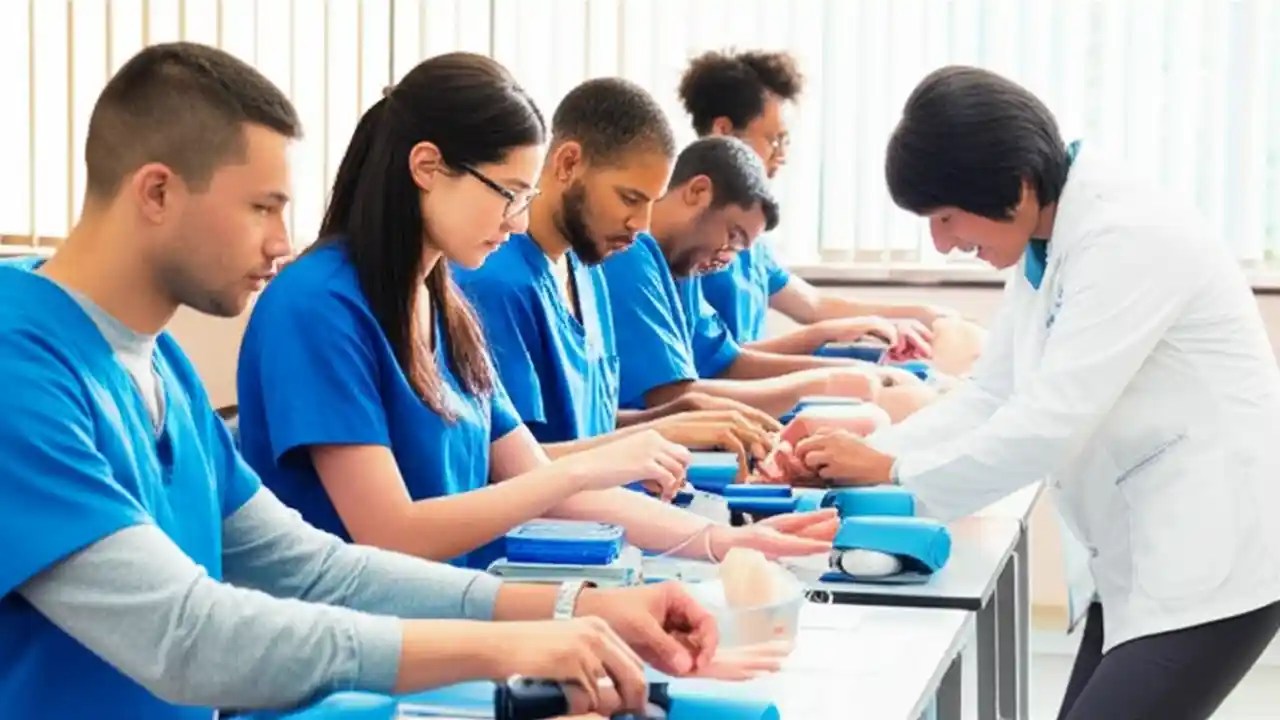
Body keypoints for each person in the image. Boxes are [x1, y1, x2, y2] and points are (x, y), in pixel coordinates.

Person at [0, 43, 723, 720]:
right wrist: (512, 639)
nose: (283, 242)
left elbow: (316, 569)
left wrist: (571, 608)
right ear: (156, 192)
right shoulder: (18, 366)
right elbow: (187, 634)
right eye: (262, 207)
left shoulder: (159, 364)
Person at [781, 66, 1280, 719]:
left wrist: (891, 472)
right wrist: (859, 457)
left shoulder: (1124, 236)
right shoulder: (1049, 240)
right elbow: (991, 393)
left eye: (946, 217)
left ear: (1014, 187)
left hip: (1216, 557)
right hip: (1151, 558)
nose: (944, 242)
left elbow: (1047, 425)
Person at [235, 56, 836, 574]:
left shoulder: (447, 306)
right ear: (426, 167)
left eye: (525, 199)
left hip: (453, 619)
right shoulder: (318, 306)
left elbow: (527, 474)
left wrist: (724, 542)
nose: (520, 221)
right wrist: (586, 469)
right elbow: (393, 533)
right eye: (508, 194)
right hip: (358, 663)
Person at [454, 78, 782, 477]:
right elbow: (515, 464)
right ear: (568, 164)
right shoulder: (496, 282)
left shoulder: (589, 269)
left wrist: (674, 417)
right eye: (629, 199)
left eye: (650, 203)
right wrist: (661, 429)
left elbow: (592, 428)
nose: (640, 224)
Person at [679, 49, 983, 374]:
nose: (781, 155)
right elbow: (717, 359)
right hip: (732, 391)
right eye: (774, 140)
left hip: (749, 383)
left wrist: (924, 314)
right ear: (723, 131)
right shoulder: (691, 244)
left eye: (787, 141)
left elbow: (814, 305)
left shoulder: (750, 241)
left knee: (916, 374)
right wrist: (837, 346)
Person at [600, 136, 933, 419]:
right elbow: (669, 395)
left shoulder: (680, 267)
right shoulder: (630, 254)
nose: (726, 256)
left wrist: (853, 372)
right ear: (698, 192)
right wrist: (818, 385)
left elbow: (726, 361)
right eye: (732, 235)